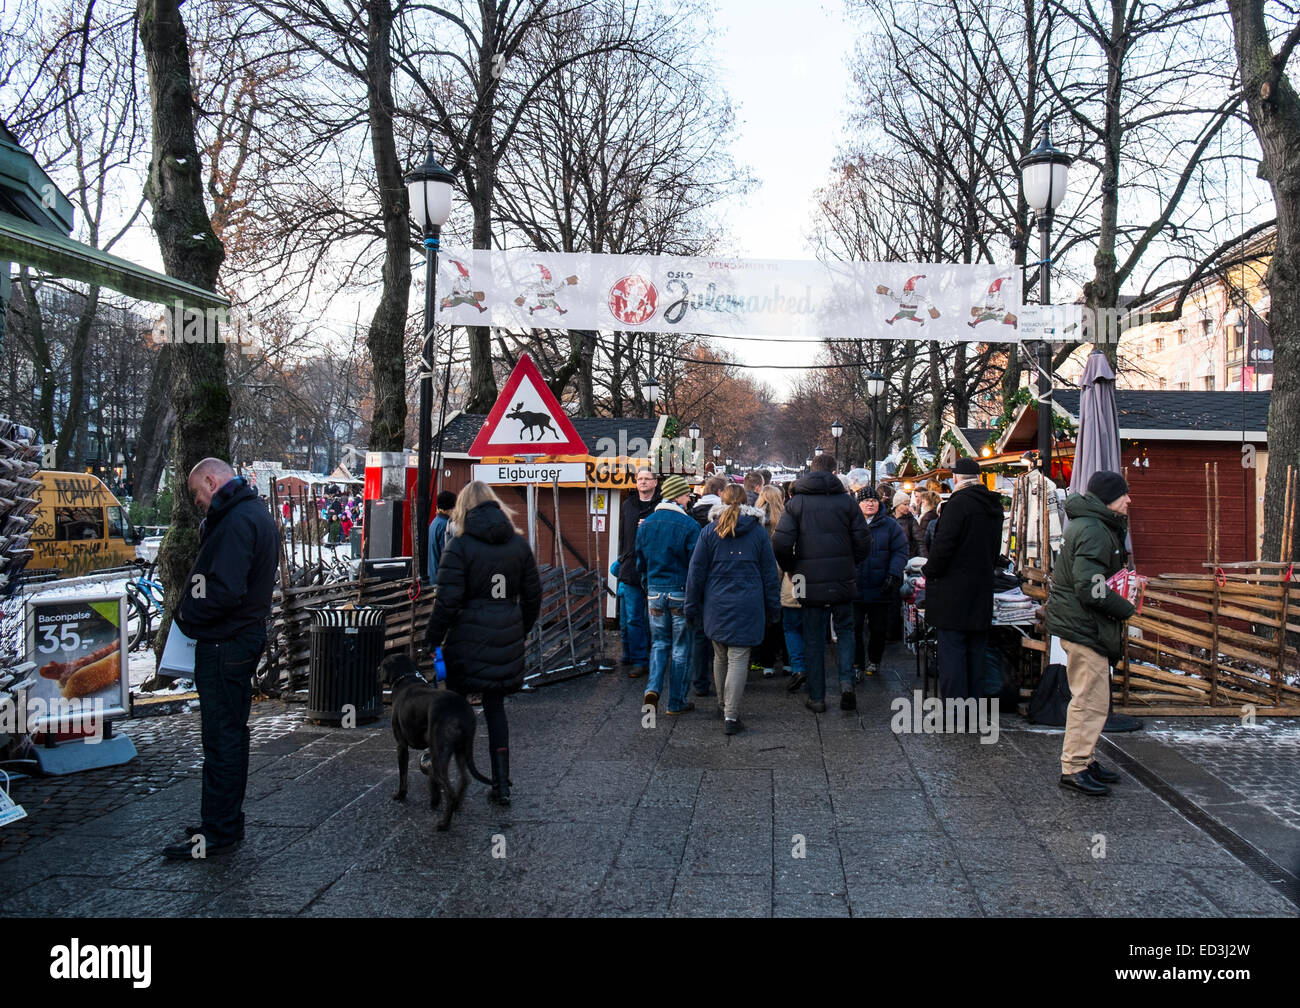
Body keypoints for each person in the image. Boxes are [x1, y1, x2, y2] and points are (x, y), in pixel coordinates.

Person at [164, 458, 279, 859]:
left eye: (198, 495)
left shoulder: (234, 520)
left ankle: (219, 831)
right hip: (238, 640)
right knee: (229, 735)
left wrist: (187, 616)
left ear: (211, 483)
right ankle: (223, 821)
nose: (198, 503)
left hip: (225, 644)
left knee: (222, 738)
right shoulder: (253, 513)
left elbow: (225, 589)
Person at [425, 482, 541, 805]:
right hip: (505, 639)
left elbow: (446, 602)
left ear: (463, 508)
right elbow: (533, 598)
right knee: (495, 710)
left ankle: (445, 779)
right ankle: (501, 785)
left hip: (464, 641)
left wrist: (432, 639)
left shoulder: (459, 547)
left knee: (453, 707)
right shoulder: (518, 546)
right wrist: (519, 630)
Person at [1046, 471, 1136, 796]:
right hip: (1085, 626)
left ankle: (1085, 759)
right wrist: (1125, 607)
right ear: (1110, 498)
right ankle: (1074, 767)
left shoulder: (1091, 525)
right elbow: (1090, 587)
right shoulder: (1095, 530)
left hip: (1083, 625)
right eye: (1124, 494)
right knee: (1089, 701)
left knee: (1092, 699)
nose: (1129, 499)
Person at [771, 454, 870, 713]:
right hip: (843, 575)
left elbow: (781, 543)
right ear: (835, 472)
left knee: (812, 636)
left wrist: (793, 568)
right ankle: (846, 682)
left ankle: (817, 697)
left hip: (805, 577)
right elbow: (864, 540)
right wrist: (851, 562)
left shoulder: (796, 503)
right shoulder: (847, 502)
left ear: (811, 471)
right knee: (846, 631)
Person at [686, 484, 781, 735]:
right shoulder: (759, 533)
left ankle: (722, 705)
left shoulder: (708, 531)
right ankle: (731, 715)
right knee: (739, 657)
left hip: (716, 603)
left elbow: (695, 573)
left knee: (720, 655)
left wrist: (691, 605)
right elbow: (770, 574)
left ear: (722, 499)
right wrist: (773, 605)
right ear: (747, 501)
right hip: (748, 603)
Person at [923, 457, 1003, 702]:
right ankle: (974, 707)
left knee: (953, 652)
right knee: (976, 651)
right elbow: (994, 550)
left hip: (953, 591)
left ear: (956, 478)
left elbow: (943, 547)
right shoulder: (993, 506)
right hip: (981, 588)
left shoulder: (957, 505)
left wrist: (930, 570)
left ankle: (956, 709)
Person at [635, 474, 701, 715]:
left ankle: (652, 688)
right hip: (680, 591)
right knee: (681, 646)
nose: (689, 498)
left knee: (660, 643)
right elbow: (695, 565)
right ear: (676, 496)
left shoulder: (647, 523)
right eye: (686, 494)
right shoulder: (691, 526)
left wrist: (649, 586)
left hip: (654, 591)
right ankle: (676, 702)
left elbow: (640, 561)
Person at [854, 487, 907, 678]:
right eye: (866, 500)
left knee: (878, 629)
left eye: (874, 500)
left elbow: (900, 551)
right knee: (854, 629)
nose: (870, 503)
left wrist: (893, 574)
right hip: (855, 586)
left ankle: (874, 660)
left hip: (881, 586)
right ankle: (857, 664)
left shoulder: (891, 525)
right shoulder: (850, 524)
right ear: (858, 503)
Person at [617, 467, 660, 677]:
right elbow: (623, 535)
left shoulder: (661, 507)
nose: (642, 482)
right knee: (633, 618)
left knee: (655, 618)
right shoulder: (628, 505)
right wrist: (623, 557)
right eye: (639, 479)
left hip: (655, 569)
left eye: (646, 479)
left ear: (654, 482)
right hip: (631, 568)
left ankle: (656, 657)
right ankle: (638, 660)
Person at [427, 489, 456, 584]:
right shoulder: (445, 526)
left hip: (433, 575)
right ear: (451, 508)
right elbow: (447, 555)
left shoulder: (435, 522)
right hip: (441, 580)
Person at [892, 491, 921, 558]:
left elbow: (920, 542)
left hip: (907, 558)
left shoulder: (911, 521)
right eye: (905, 504)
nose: (908, 507)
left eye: (908, 504)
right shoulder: (887, 519)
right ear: (897, 505)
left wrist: (924, 559)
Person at [916, 490, 941, 558]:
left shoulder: (928, 516)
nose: (922, 504)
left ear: (930, 502)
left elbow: (923, 535)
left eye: (923, 502)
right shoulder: (934, 514)